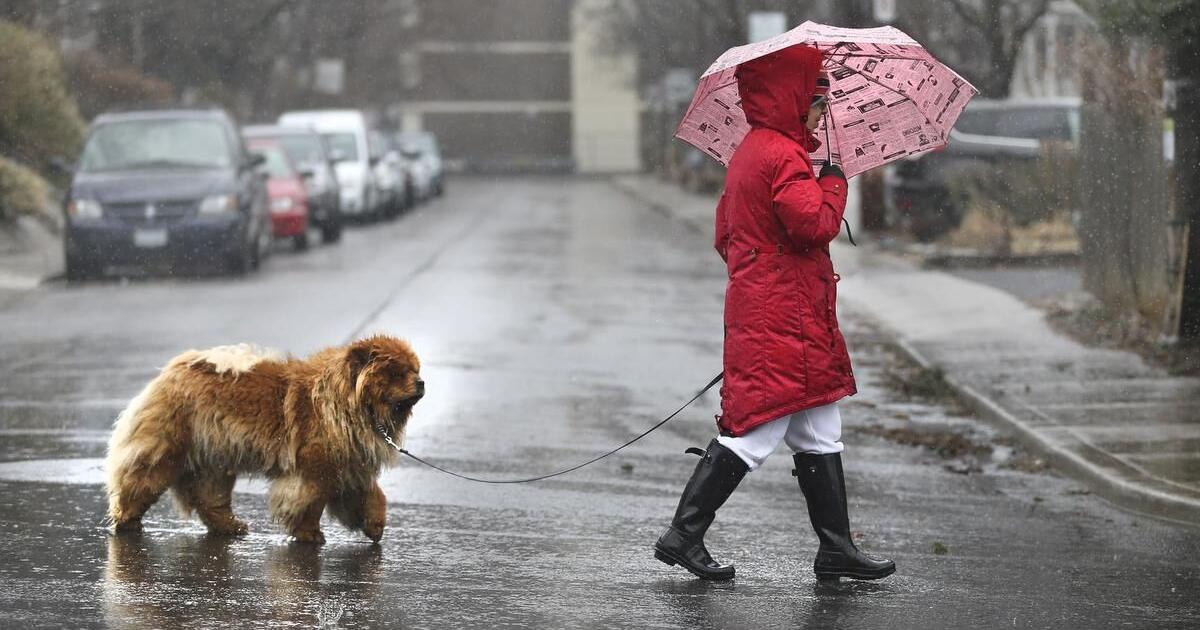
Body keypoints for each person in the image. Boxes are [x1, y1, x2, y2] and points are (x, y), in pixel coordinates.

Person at [653, 44, 895, 583]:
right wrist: (833, 185)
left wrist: (759, 268)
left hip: (779, 308)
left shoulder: (752, 150)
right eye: (818, 101)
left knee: (819, 430)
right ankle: (684, 534)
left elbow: (726, 233)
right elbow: (813, 227)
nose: (823, 112)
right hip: (781, 316)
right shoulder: (783, 155)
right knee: (753, 430)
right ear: (793, 98)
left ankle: (836, 548)